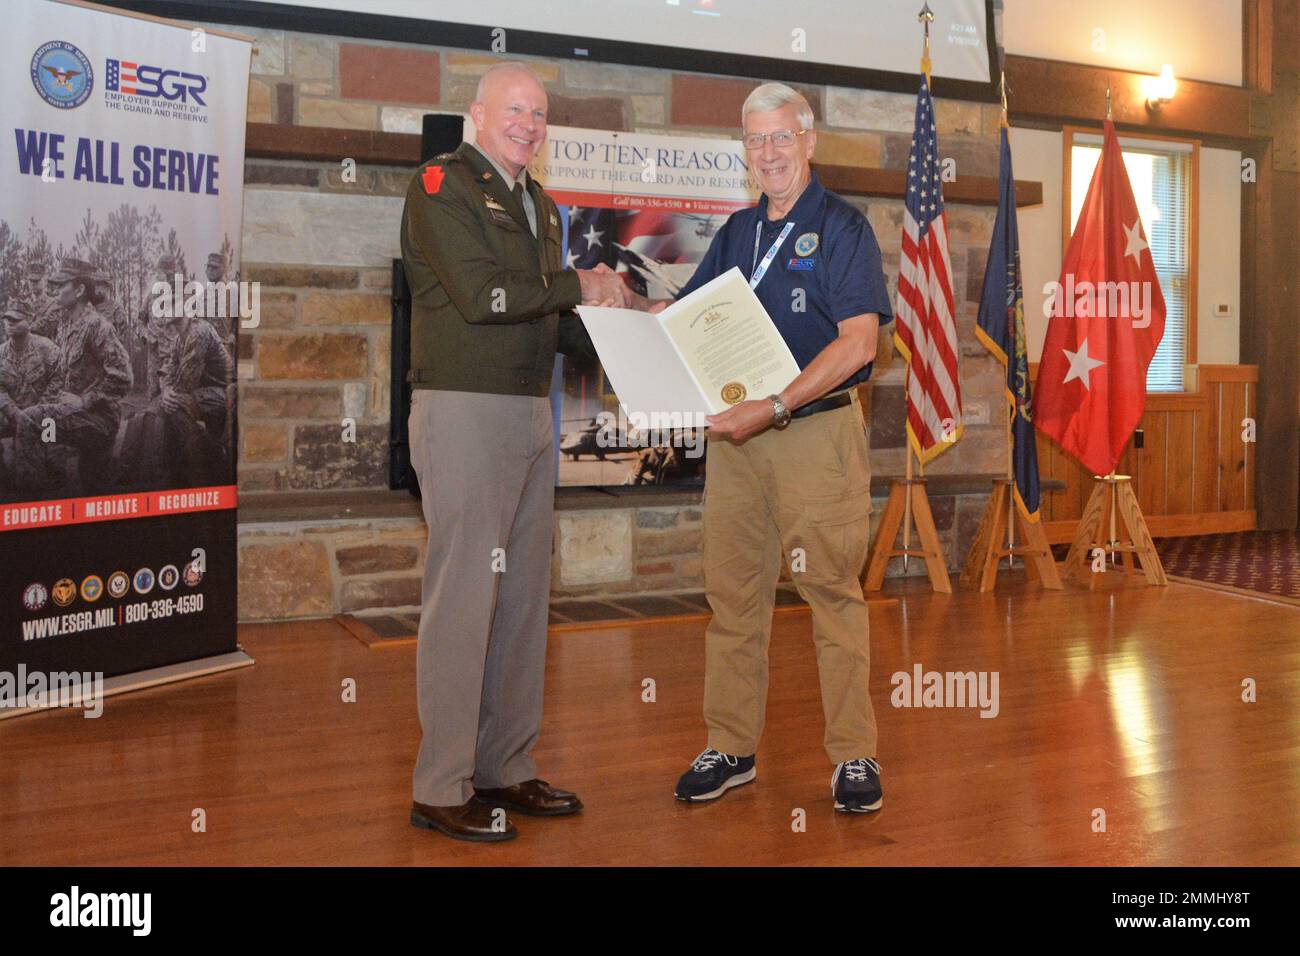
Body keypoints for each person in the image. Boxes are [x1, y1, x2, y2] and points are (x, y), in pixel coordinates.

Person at [629, 83, 893, 813]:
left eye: (782, 137)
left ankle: (854, 758)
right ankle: (732, 746)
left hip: (812, 435)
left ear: (808, 142)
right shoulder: (739, 231)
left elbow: (859, 343)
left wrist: (775, 405)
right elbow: (695, 320)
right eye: (755, 141)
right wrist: (647, 316)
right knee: (734, 600)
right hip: (738, 445)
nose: (769, 152)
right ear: (744, 152)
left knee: (832, 597)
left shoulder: (843, 228)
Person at [399, 61, 629, 842]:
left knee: (525, 598)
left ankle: (504, 767)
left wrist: (632, 329)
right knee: (464, 598)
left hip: (532, 415)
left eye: (540, 114)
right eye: (516, 110)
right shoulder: (443, 186)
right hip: (464, 412)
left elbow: (548, 321)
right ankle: (441, 785)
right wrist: (579, 285)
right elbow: (483, 294)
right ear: (477, 114)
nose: (529, 124)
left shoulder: (542, 204)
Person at [12, 259, 132, 495]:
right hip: (77, 418)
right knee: (95, 491)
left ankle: (34, 500)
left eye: (61, 284)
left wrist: (84, 400)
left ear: (79, 290)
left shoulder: (98, 326)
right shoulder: (67, 325)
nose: (55, 290)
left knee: (30, 421)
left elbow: (124, 378)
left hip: (98, 421)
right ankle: (54, 478)